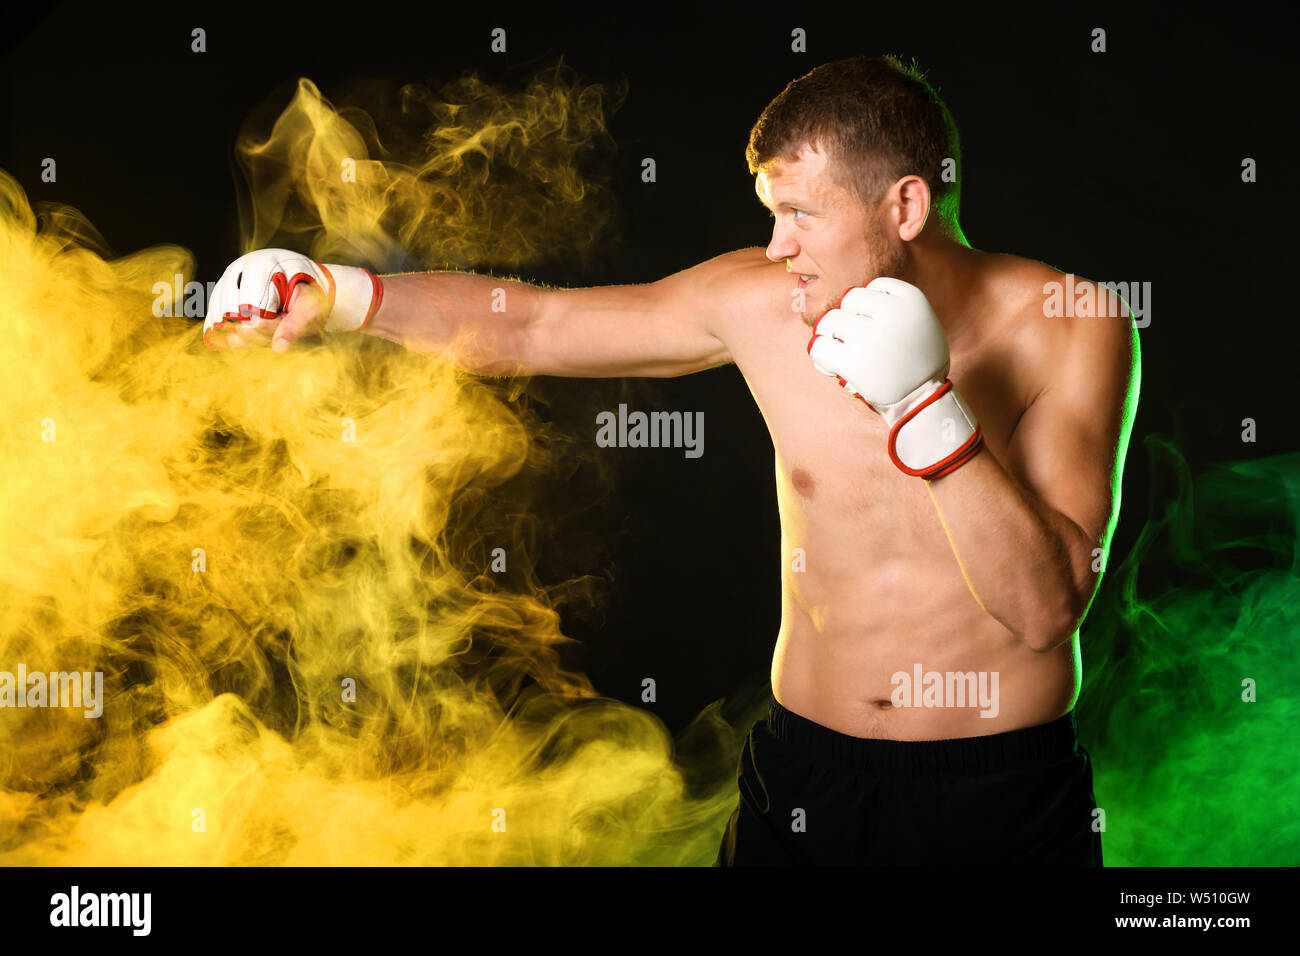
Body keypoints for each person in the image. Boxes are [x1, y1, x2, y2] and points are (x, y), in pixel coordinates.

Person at [204, 55, 1138, 866]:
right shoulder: (762, 301)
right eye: (773, 213)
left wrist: (926, 410)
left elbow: (1046, 609)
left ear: (904, 204)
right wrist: (343, 295)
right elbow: (534, 324)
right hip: (808, 778)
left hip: (1000, 797)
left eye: (803, 215)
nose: (780, 248)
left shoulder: (1069, 326)